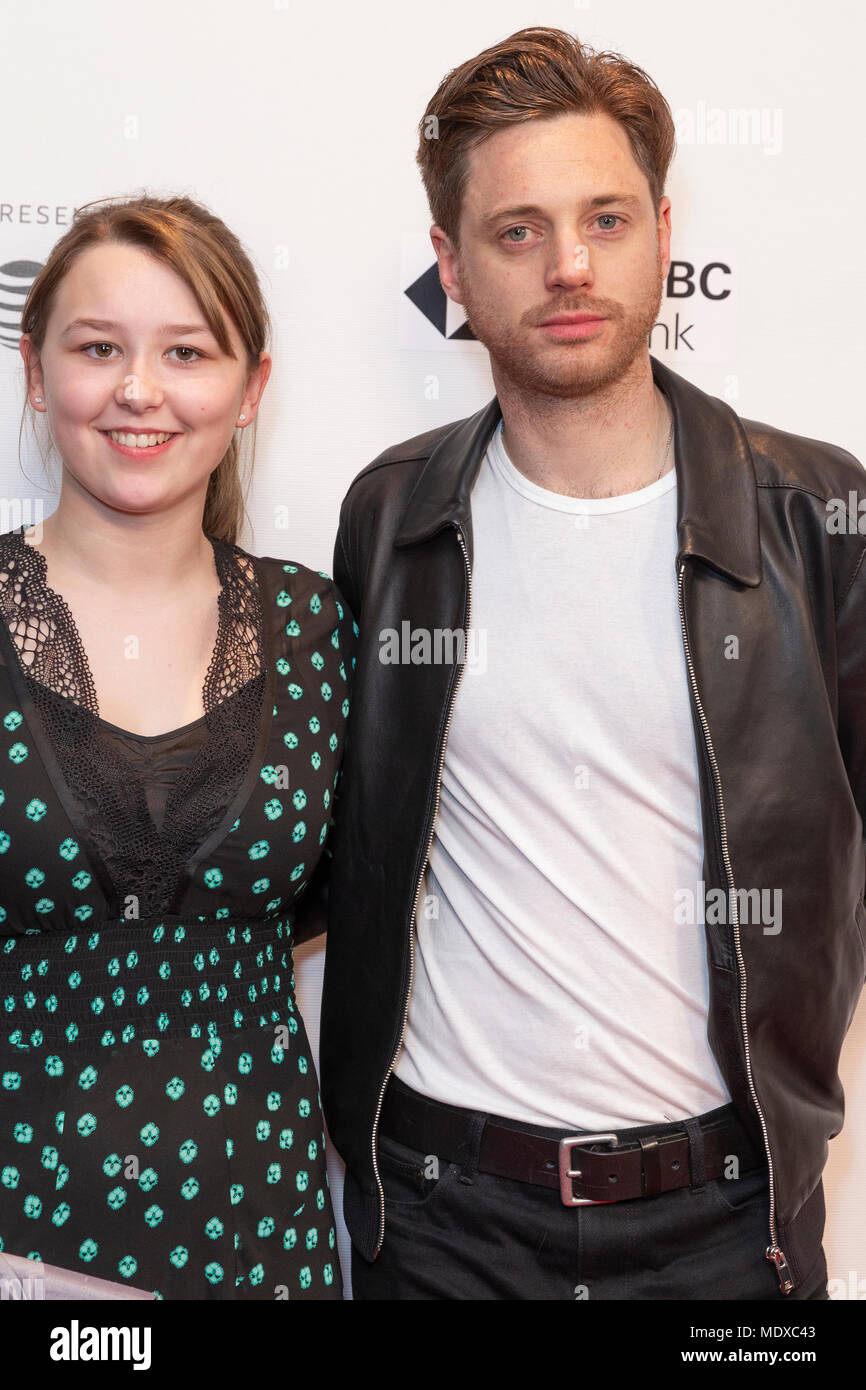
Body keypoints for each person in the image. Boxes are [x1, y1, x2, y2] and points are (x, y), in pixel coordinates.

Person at [320, 26, 866, 1300]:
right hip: (440, 1216)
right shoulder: (390, 519)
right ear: (450, 264)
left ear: (663, 230)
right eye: (516, 232)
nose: (568, 266)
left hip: (731, 1228)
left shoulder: (814, 517)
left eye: (604, 218)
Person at [0, 193, 357, 1300]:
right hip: (19, 1232)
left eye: (186, 351)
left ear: (250, 389)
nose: (138, 390)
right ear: (35, 369)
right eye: (98, 347)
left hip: (260, 1226)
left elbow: (349, 884)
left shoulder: (314, 628)